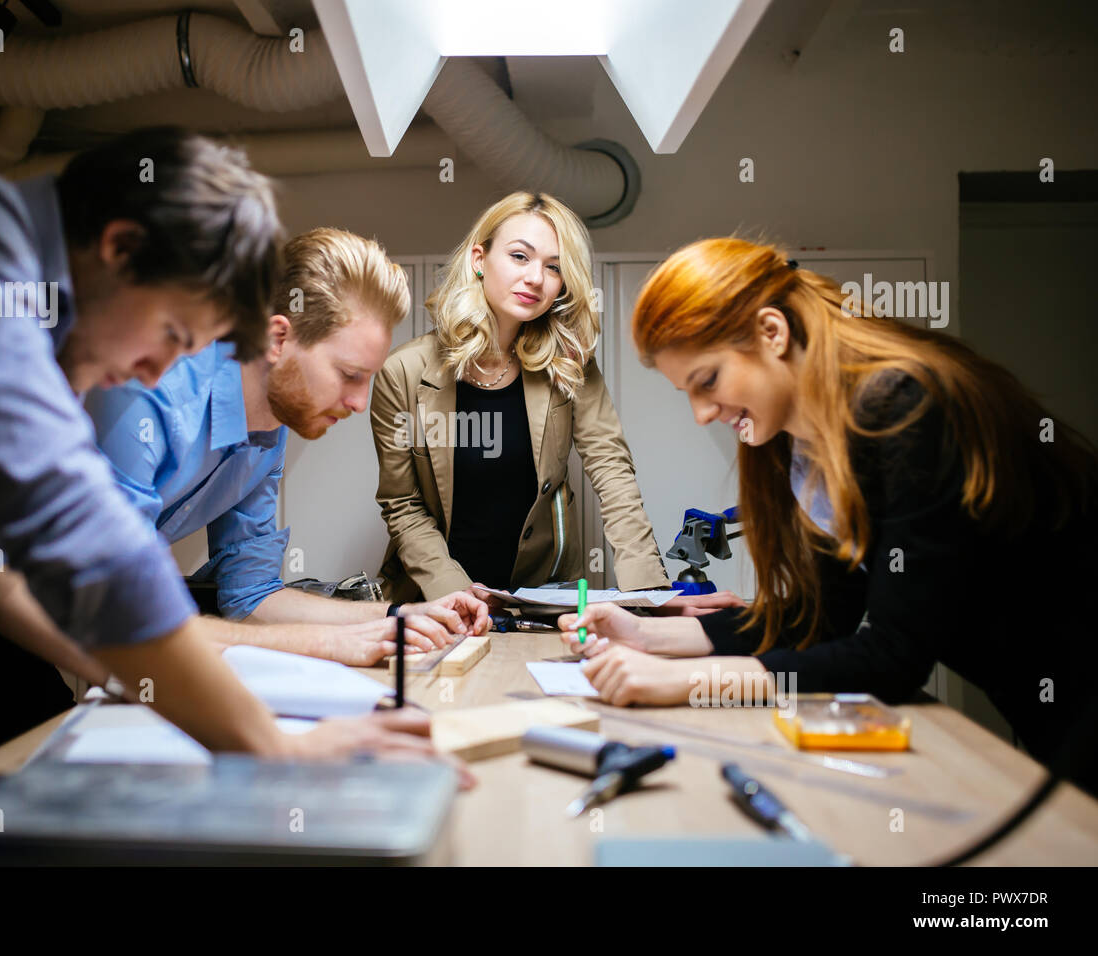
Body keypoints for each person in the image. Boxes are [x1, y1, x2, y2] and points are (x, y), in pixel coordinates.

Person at [0, 127, 444, 804]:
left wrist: (147, 682)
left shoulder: (31, 330)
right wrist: (275, 746)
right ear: (120, 249)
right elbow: (85, 538)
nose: (158, 369)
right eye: (172, 333)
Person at [559, 237, 1098, 790]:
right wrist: (648, 638)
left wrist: (687, 681)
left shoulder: (909, 406)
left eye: (709, 381)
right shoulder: (801, 441)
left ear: (773, 333)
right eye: (686, 393)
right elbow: (820, 618)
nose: (702, 414)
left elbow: (892, 658)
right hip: (1037, 690)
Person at [85, 228, 489, 667]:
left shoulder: (269, 426)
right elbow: (128, 614)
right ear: (279, 339)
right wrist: (325, 645)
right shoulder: (148, 393)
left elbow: (251, 596)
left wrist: (397, 616)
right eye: (349, 374)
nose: (359, 403)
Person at [370, 192, 670, 603]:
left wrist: (650, 591)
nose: (535, 278)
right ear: (479, 260)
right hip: (433, 599)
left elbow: (611, 469)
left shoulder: (570, 362)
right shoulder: (402, 373)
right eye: (519, 256)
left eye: (554, 267)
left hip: (543, 596)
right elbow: (402, 504)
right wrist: (456, 594)